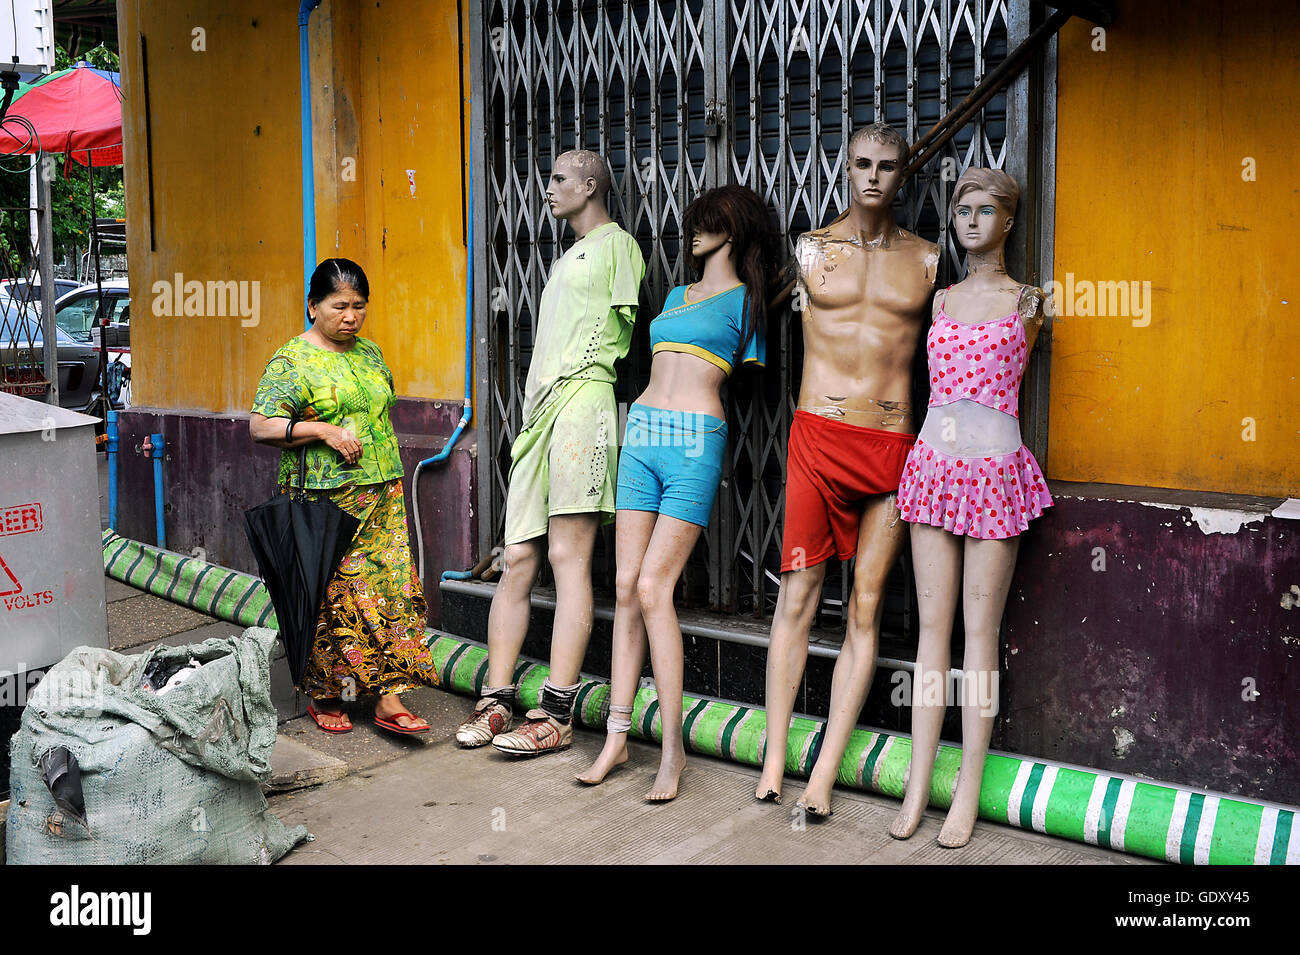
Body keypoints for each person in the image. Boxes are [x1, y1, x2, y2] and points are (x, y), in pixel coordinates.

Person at [755, 123, 939, 816]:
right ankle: (774, 760)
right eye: (861, 163)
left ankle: (825, 773)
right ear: (844, 168)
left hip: (892, 444)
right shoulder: (810, 249)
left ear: (903, 176)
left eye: (888, 167)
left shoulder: (927, 257)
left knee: (864, 604)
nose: (873, 177)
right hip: (818, 437)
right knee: (796, 598)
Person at [576, 185, 779, 801]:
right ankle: (615, 736)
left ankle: (672, 750)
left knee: (653, 588)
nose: (692, 234)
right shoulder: (674, 294)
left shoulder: (750, 303)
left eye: (707, 224)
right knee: (623, 588)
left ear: (734, 229)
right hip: (640, 433)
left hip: (695, 440)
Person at [455, 149, 646, 754]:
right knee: (517, 560)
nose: (548, 189)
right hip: (541, 416)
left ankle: (557, 713)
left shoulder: (619, 246)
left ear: (591, 185)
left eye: (559, 179)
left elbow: (622, 341)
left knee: (568, 559)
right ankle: (497, 698)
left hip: (585, 405)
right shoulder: (567, 258)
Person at [889, 167, 1051, 848]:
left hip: (994, 472)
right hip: (933, 466)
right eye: (963, 210)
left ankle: (968, 794)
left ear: (1009, 220)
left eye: (986, 210)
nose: (972, 222)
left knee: (979, 636)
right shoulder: (941, 299)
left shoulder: (1030, 300)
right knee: (932, 633)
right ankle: (919, 781)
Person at [248, 257, 439, 735]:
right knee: (335, 594)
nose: (350, 316)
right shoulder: (292, 360)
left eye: (359, 307)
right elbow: (260, 426)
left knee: (388, 589)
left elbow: (380, 411)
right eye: (339, 306)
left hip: (382, 491)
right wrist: (323, 431)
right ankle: (328, 692)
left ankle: (386, 696)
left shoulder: (370, 354)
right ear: (313, 306)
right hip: (324, 499)